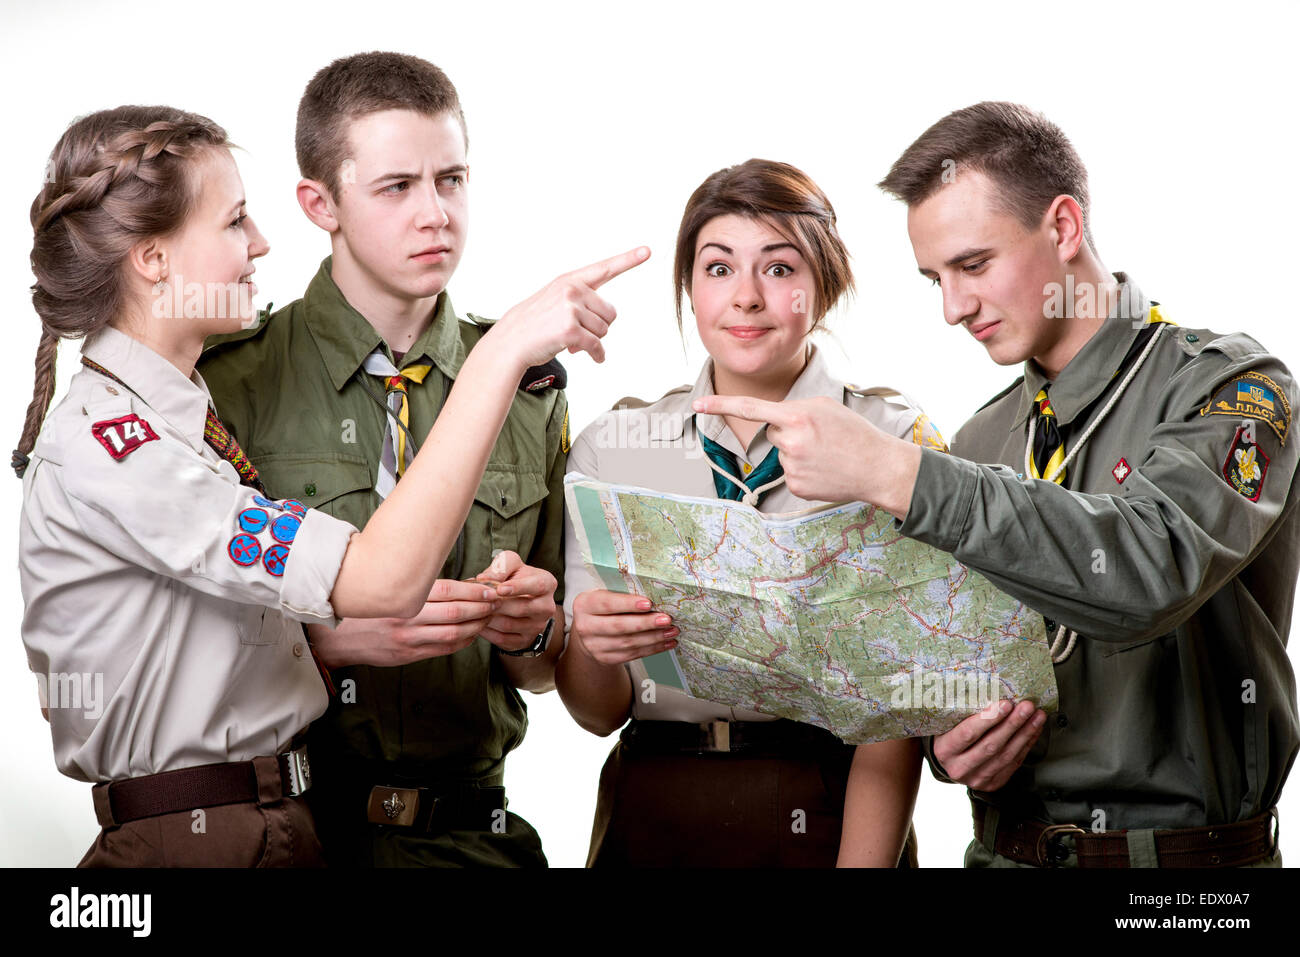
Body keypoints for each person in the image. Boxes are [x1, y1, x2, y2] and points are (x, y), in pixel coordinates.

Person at [14, 105, 636, 867]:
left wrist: (333, 645)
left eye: (451, 179)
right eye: (236, 220)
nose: (262, 243)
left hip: (323, 827)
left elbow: (197, 632)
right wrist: (502, 351)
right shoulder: (124, 443)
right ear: (153, 260)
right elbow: (379, 576)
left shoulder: (173, 419)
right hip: (215, 834)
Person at [698, 102, 1299, 868]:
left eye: (974, 265)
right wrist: (954, 745)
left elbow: (1151, 566)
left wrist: (899, 472)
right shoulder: (982, 440)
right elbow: (949, 665)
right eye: (935, 279)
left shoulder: (1234, 387)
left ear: (1064, 226)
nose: (953, 308)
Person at [198, 53, 645, 867]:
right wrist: (326, 636)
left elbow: (545, 668)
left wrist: (533, 626)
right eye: (397, 186)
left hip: (473, 836)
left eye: (453, 179)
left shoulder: (530, 385)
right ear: (319, 204)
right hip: (288, 829)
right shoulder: (230, 379)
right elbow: (177, 642)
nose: (435, 213)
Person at [557, 159, 947, 867]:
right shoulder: (613, 448)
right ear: (688, 287)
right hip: (653, 802)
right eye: (717, 268)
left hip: (830, 799)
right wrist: (589, 641)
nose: (745, 298)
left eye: (778, 268)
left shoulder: (892, 438)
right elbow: (596, 711)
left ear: (823, 286)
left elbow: (898, 712)